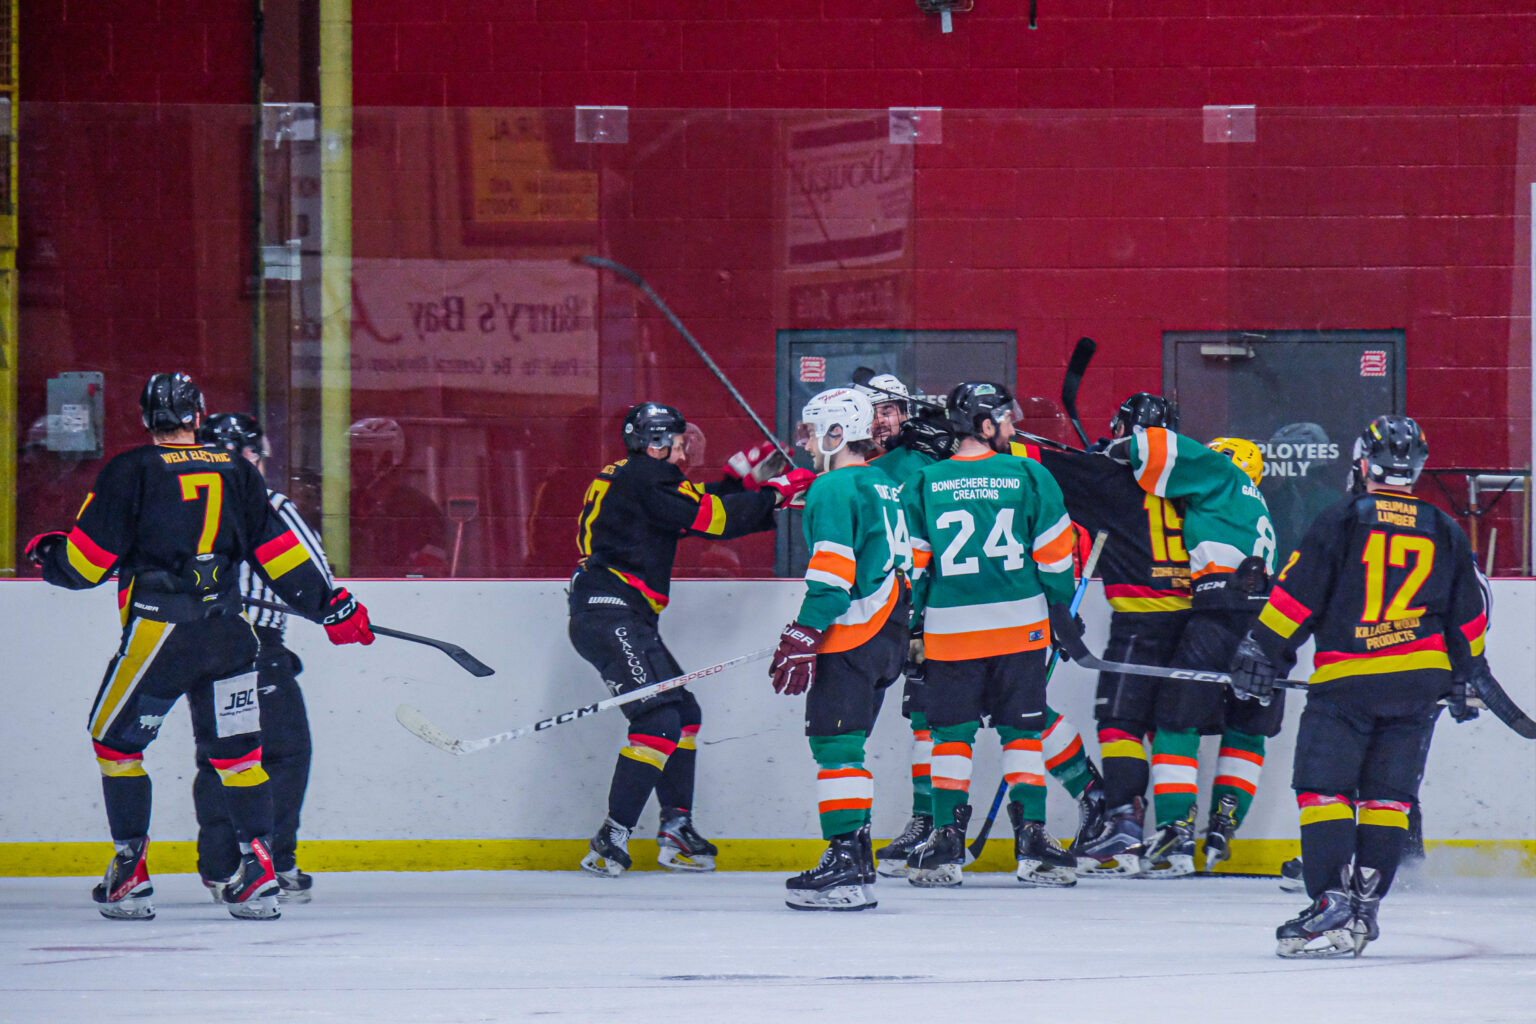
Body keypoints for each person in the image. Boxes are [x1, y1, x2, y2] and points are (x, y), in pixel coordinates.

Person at [26, 372, 374, 921]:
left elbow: (87, 565)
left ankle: (129, 875)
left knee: (114, 743)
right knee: (239, 758)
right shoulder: (237, 470)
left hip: (159, 633)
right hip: (231, 635)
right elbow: (280, 555)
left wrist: (49, 557)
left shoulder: (130, 470)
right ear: (198, 414)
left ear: (145, 417)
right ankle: (257, 874)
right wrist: (331, 606)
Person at [1230, 415, 1490, 958]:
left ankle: (1330, 902)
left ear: (1364, 462)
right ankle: (1365, 906)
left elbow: (1297, 596)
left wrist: (1262, 650)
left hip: (1349, 680)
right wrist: (1468, 676)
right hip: (1421, 685)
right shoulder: (1446, 528)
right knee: (1387, 798)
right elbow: (1469, 618)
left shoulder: (1343, 518)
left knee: (1324, 789)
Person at [569, 402, 812, 876]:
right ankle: (610, 839)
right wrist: (775, 494)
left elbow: (690, 506)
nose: (684, 449)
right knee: (658, 722)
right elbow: (711, 519)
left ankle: (676, 828)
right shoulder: (644, 476)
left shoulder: (635, 476)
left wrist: (740, 483)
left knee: (682, 714)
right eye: (678, 441)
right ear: (654, 442)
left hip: (621, 616)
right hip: (611, 614)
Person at [900, 381, 1085, 888]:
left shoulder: (923, 482)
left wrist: (912, 625)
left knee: (950, 738)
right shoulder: (1029, 472)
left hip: (951, 633)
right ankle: (1033, 841)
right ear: (985, 425)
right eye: (1005, 418)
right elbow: (1053, 553)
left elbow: (913, 566)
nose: (1012, 425)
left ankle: (944, 842)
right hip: (1020, 630)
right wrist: (1061, 613)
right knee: (1022, 733)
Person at [1107, 424, 1281, 877]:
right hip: (1271, 627)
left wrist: (1120, 449)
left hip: (1219, 615)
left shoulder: (1221, 477)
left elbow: (1164, 447)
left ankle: (1175, 832)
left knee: (1174, 724)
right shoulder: (1258, 511)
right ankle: (1224, 823)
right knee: (1247, 730)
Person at [1032, 393, 1192, 876]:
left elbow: (1037, 465)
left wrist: (1095, 462)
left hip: (1141, 622)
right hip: (1195, 620)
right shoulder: (1197, 478)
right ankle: (1176, 841)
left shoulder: (1107, 479)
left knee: (1120, 723)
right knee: (1170, 728)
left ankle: (1124, 824)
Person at [772, 388, 910, 910]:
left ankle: (845, 867)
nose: (805, 442)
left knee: (836, 749)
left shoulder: (833, 487)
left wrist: (807, 631)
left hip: (852, 633)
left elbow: (831, 580)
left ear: (837, 433)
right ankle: (858, 859)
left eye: (812, 431)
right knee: (848, 744)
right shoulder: (885, 484)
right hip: (888, 633)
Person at [192, 412, 331, 905]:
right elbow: (316, 574)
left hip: (191, 645)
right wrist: (334, 609)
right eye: (255, 453)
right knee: (283, 753)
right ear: (245, 454)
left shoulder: (180, 503)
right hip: (253, 646)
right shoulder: (269, 504)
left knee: (222, 755)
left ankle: (219, 867)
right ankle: (273, 861)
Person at [349, 416, 450, 577]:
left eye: (361, 455)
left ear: (387, 460)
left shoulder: (421, 510)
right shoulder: (348, 503)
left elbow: (432, 572)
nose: (351, 463)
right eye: (351, 455)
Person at [853, 372, 910, 454]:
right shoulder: (857, 462)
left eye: (886, 413)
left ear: (905, 415)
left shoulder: (921, 458)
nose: (879, 421)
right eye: (871, 416)